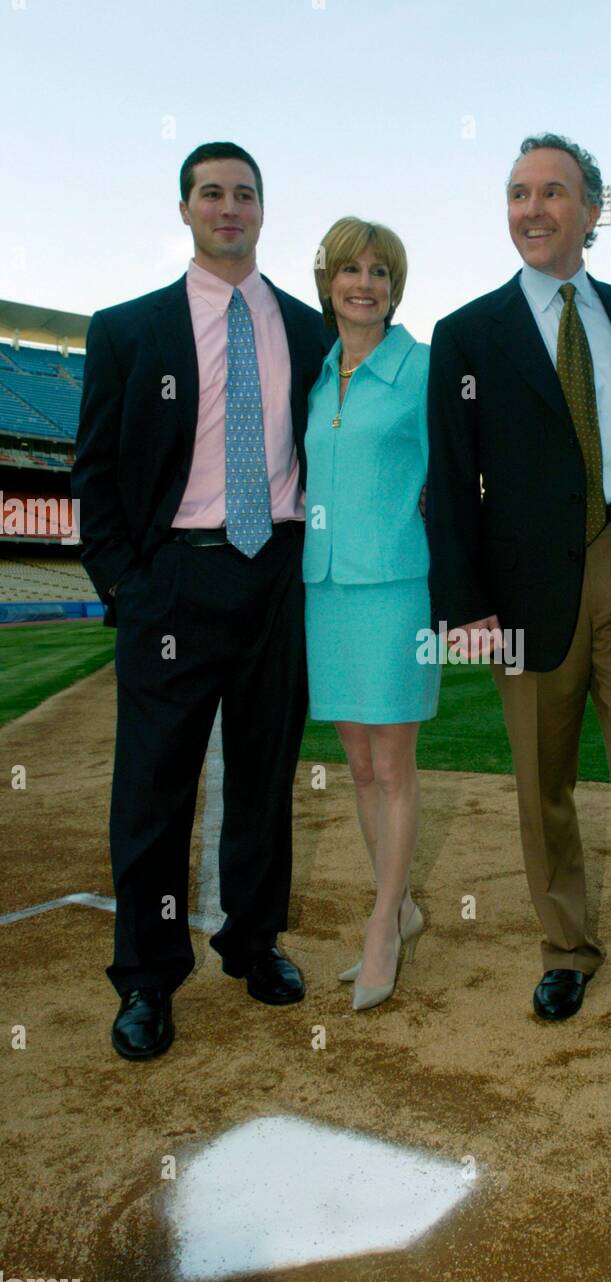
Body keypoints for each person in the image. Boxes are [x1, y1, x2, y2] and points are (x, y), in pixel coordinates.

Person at [426, 134, 611, 1046]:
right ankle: (567, 951)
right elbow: (449, 483)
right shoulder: (467, 334)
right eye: (517, 193)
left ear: (590, 210)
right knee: (541, 782)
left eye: (552, 192)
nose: (532, 209)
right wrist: (464, 604)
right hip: (524, 588)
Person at [72, 142, 332, 1060]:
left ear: (264, 209)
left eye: (245, 193)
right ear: (184, 210)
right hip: (175, 581)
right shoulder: (128, 330)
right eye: (211, 193)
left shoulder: (312, 331)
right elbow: (94, 473)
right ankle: (146, 978)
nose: (230, 207)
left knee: (264, 779)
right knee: (153, 789)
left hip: (277, 576)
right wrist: (129, 590)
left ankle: (251, 942)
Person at [304, 217, 439, 1012]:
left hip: (394, 590)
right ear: (329, 282)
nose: (365, 283)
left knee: (393, 767)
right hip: (323, 592)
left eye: (380, 272)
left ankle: (384, 922)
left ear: (395, 287)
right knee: (358, 766)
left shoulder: (423, 370)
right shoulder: (318, 379)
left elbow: (458, 473)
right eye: (351, 269)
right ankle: (405, 902)